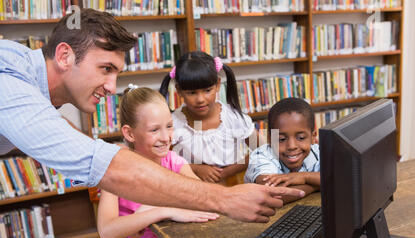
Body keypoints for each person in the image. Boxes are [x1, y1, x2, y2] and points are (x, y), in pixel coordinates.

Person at [0, 8, 304, 224]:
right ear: (65, 56)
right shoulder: (9, 84)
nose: (111, 87)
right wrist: (224, 199)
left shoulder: (21, 72)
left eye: (116, 73)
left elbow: (58, 132)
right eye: (105, 69)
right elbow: (105, 168)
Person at [97, 86, 219, 238]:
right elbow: (107, 231)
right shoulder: (115, 171)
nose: (166, 137)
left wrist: (141, 218)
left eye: (169, 126)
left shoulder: (174, 162)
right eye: (154, 130)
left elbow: (205, 200)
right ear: (129, 133)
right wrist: (161, 211)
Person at [159, 51, 258, 184]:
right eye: (192, 93)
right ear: (179, 91)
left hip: (235, 182)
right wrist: (196, 169)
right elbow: (161, 161)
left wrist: (227, 172)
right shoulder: (173, 123)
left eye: (207, 90)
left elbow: (263, 149)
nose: (200, 99)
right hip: (193, 186)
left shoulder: (233, 117)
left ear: (217, 85)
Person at [244, 98, 321, 204]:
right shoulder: (260, 156)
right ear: (270, 139)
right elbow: (273, 194)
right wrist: (317, 185)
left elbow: (341, 177)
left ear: (313, 137)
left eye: (301, 137)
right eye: (282, 139)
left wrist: (303, 177)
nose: (292, 146)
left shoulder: (318, 152)